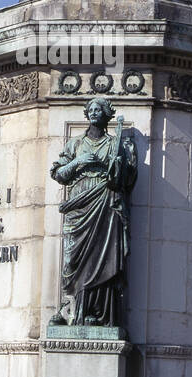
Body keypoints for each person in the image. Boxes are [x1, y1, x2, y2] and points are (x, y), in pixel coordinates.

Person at [49, 98, 137, 328]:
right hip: (79, 205)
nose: (96, 112)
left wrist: (119, 165)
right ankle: (69, 306)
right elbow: (58, 174)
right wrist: (78, 162)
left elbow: (126, 180)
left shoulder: (113, 143)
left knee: (104, 257)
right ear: (87, 114)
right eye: (92, 109)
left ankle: (96, 313)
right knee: (71, 259)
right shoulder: (76, 144)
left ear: (108, 114)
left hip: (106, 202)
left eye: (100, 109)